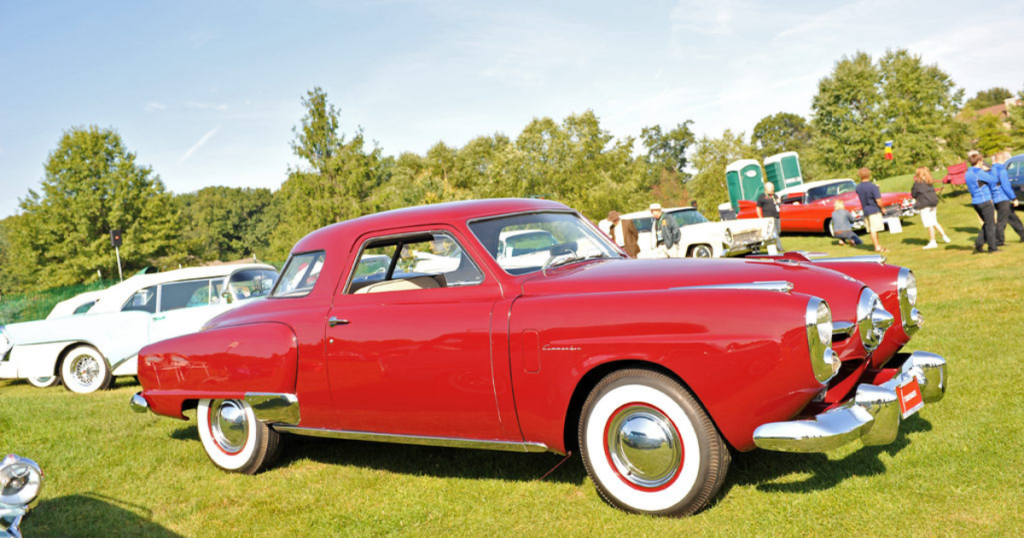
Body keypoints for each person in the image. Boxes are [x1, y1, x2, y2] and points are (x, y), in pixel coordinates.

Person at [965, 152, 999, 253]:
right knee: (990, 224)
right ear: (979, 161)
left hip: (975, 201)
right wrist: (989, 170)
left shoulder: (968, 173)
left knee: (987, 223)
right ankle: (992, 248)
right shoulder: (978, 172)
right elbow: (994, 180)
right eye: (982, 161)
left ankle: (979, 244)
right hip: (984, 200)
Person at [911, 167, 950, 249]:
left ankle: (933, 241)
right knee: (934, 221)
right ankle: (945, 237)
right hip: (933, 203)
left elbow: (913, 194)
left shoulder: (917, 183)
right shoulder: (929, 182)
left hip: (924, 204)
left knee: (929, 223)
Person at [990, 151, 1024, 245]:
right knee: (1002, 221)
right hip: (1002, 198)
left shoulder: (991, 170)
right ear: (1004, 159)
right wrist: (1013, 198)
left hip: (995, 198)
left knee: (1012, 217)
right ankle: (998, 241)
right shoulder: (1002, 170)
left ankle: (1022, 234)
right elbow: (1006, 186)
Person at [854, 167, 887, 253]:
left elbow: (864, 191)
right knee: (874, 229)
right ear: (869, 175)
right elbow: (878, 200)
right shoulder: (873, 187)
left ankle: (877, 246)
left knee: (872, 229)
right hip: (874, 209)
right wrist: (882, 208)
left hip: (866, 210)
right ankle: (877, 247)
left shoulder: (858, 188)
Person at [755, 182, 783, 251]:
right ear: (767, 188)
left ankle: (773, 243)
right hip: (768, 218)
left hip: (776, 216)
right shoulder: (762, 197)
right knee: (775, 232)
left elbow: (779, 205)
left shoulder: (775, 195)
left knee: (778, 231)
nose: (773, 189)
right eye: (772, 188)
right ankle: (780, 248)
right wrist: (760, 217)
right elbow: (758, 208)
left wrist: (779, 202)